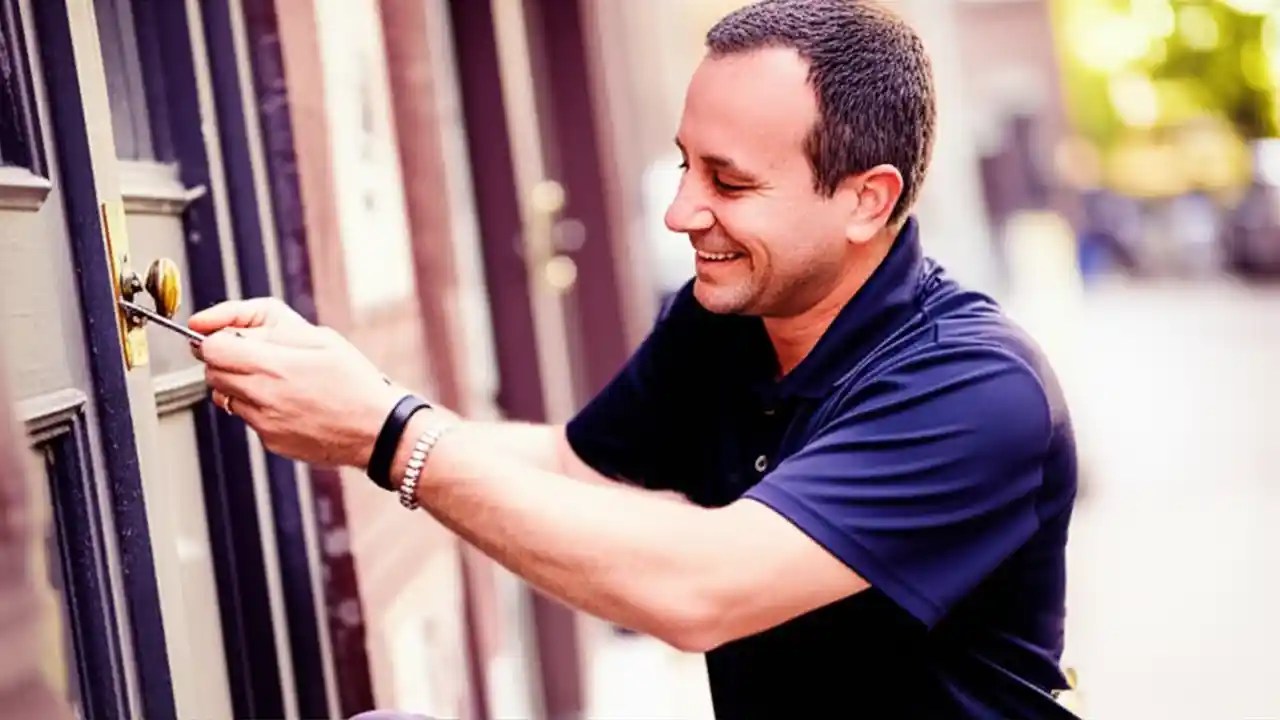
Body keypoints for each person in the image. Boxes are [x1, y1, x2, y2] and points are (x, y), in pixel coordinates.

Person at [191, 1, 1080, 717]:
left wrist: (389, 436)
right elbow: (571, 465)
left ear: (865, 201)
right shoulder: (729, 317)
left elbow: (700, 589)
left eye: (729, 182)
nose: (681, 212)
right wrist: (352, 390)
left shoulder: (977, 390)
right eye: (685, 165)